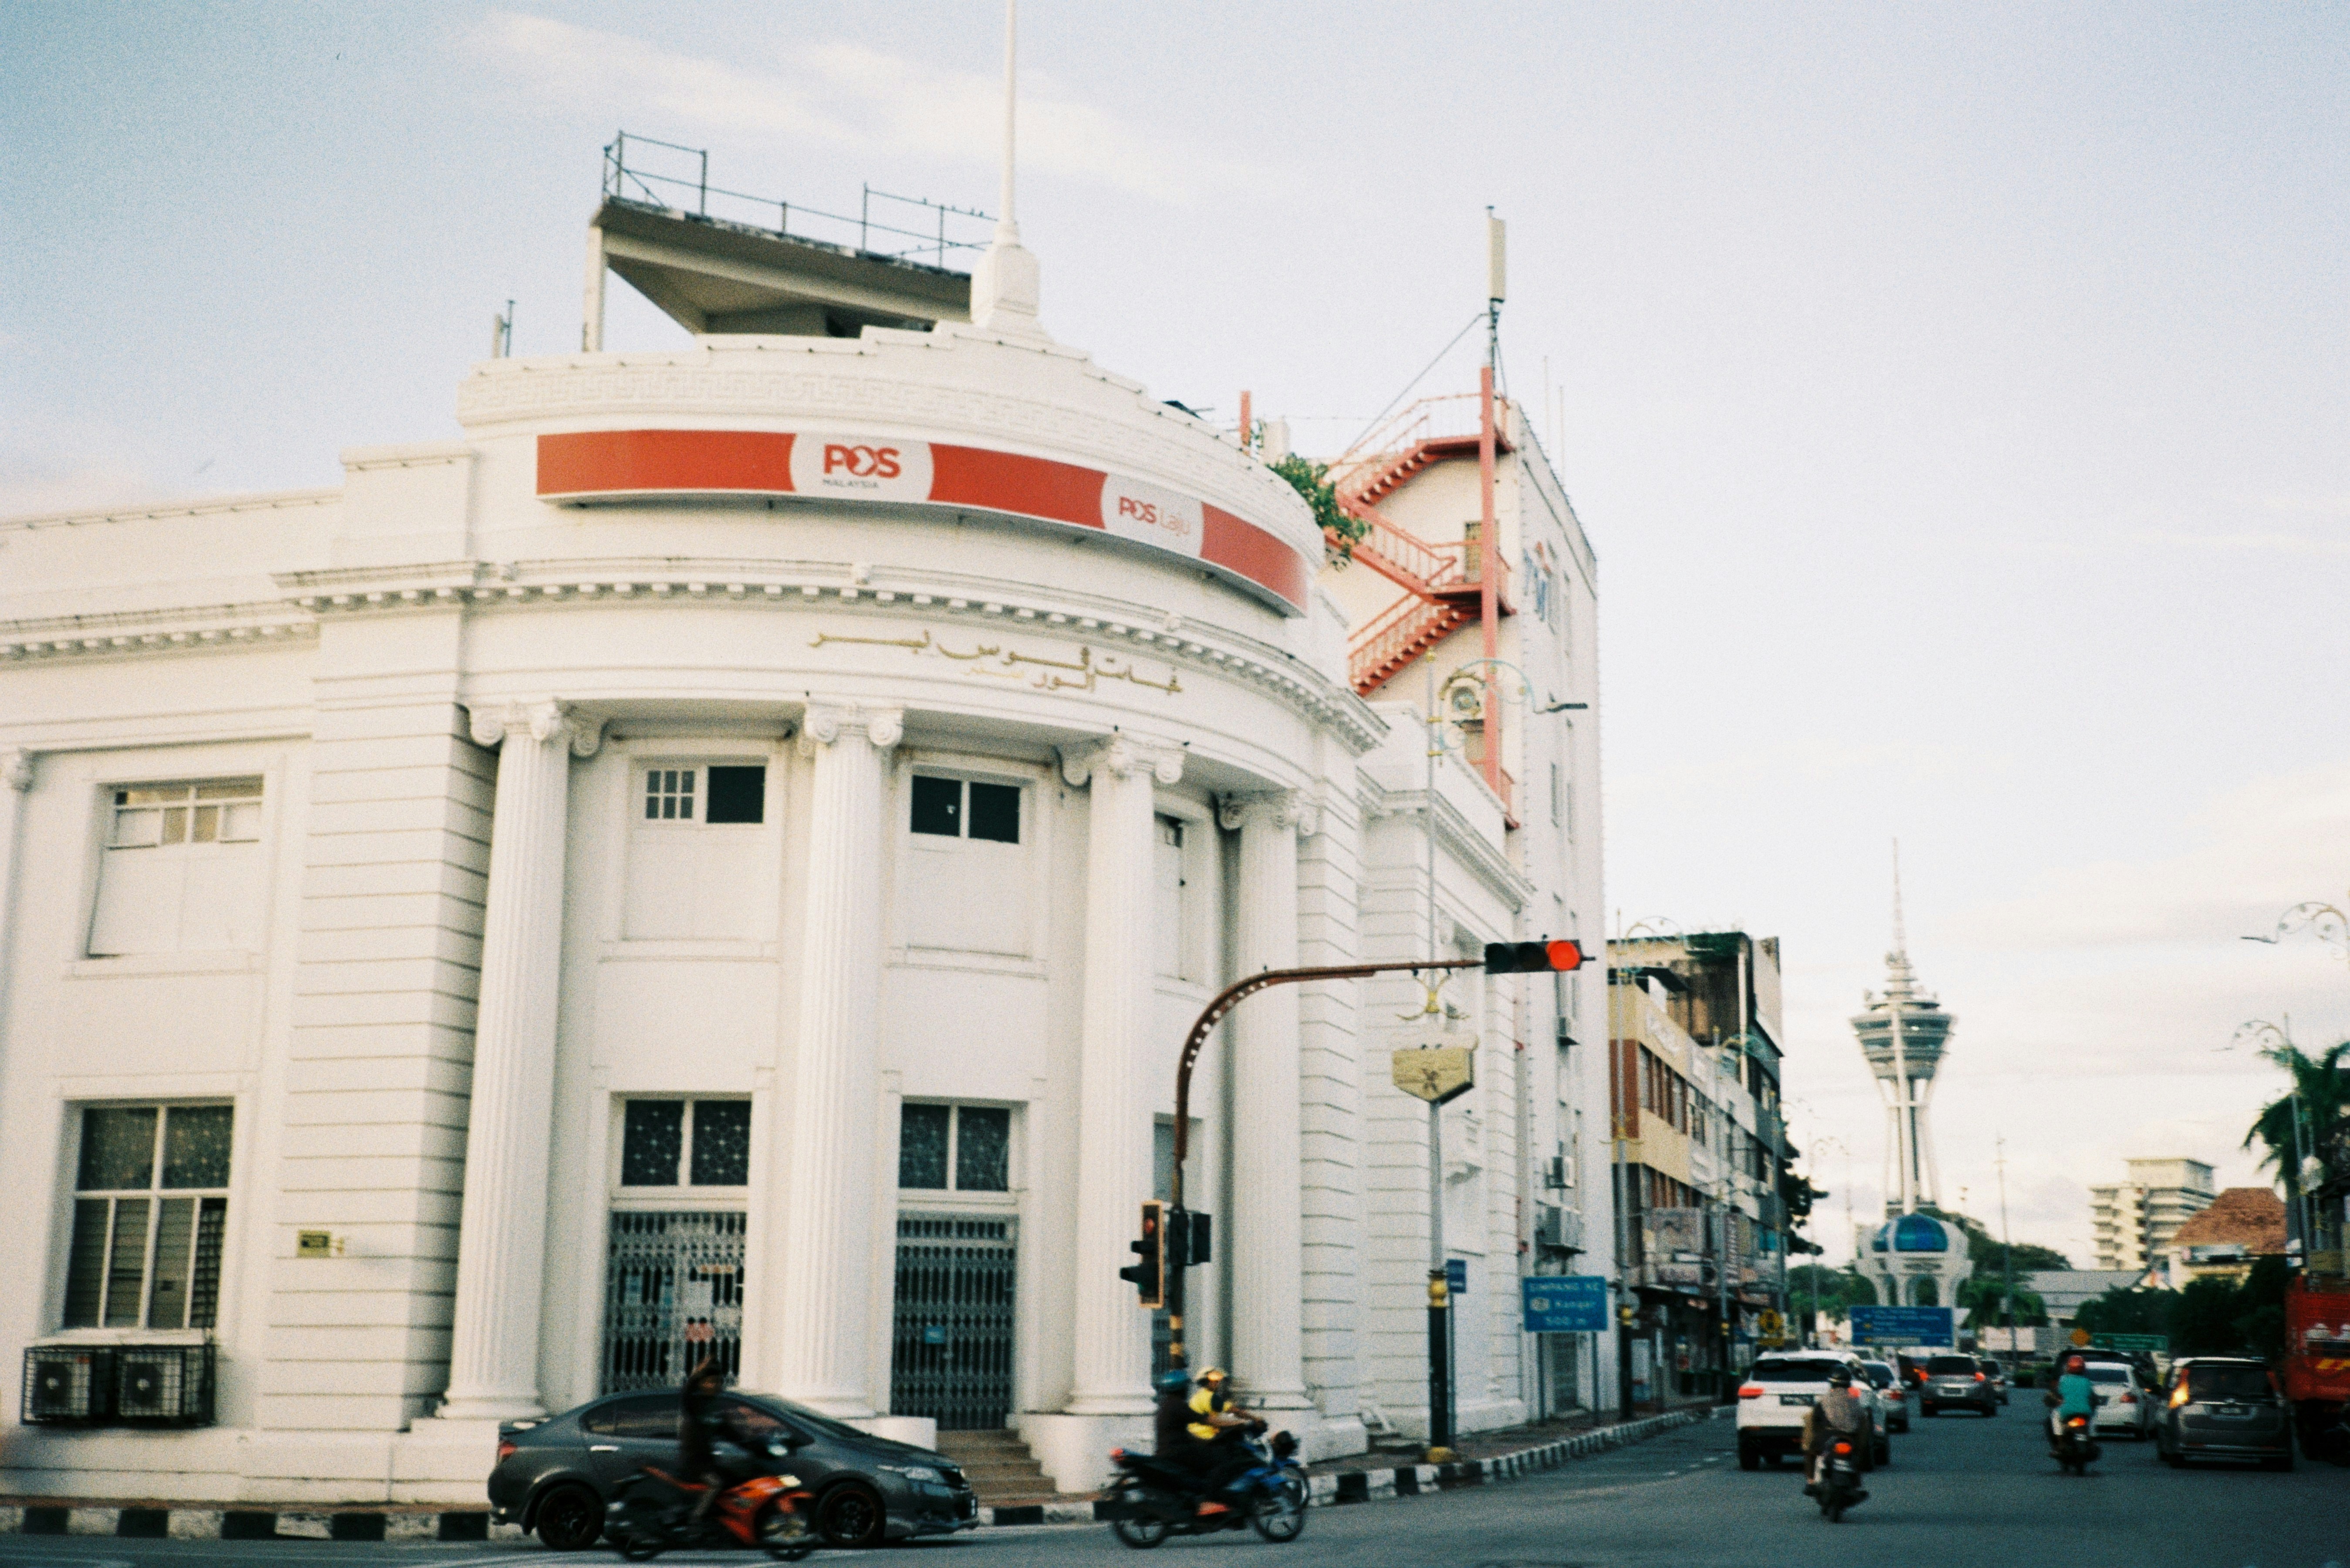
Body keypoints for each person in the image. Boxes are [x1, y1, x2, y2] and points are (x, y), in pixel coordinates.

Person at [678, 1360, 758, 1524]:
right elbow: (687, 1392)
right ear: (700, 1384)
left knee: (738, 1478)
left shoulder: (713, 1408)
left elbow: (729, 1432)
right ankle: (696, 1518)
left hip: (708, 1461)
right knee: (716, 1484)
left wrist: (750, 1444)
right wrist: (698, 1372)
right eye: (709, 1382)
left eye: (717, 1382)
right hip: (695, 1462)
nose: (713, 1385)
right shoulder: (694, 1404)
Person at [1185, 1367, 1257, 1516]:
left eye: (1218, 1380)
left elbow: (1226, 1412)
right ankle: (1211, 1500)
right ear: (1205, 1381)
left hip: (1199, 1437)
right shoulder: (1210, 1397)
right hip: (1204, 1438)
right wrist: (1254, 1419)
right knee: (1225, 1462)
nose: (1217, 1383)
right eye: (1213, 1380)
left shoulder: (1201, 1396)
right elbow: (1234, 1410)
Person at [1802, 1365, 1868, 1497]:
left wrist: (1808, 1443)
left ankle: (1811, 1481)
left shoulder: (1825, 1400)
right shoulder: (1854, 1401)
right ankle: (1856, 1484)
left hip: (1828, 1437)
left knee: (1810, 1451)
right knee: (1858, 1456)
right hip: (1850, 1437)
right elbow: (1863, 1421)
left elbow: (1812, 1421)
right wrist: (1863, 1445)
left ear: (1831, 1382)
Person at [2045, 1353, 2095, 1449]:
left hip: (2066, 1411)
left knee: (2054, 1418)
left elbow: (2054, 1394)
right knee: (2092, 1420)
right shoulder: (2087, 1382)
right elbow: (2093, 1399)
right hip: (2085, 1412)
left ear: (2068, 1367)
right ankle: (2091, 1443)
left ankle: (2061, 1444)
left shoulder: (2063, 1380)